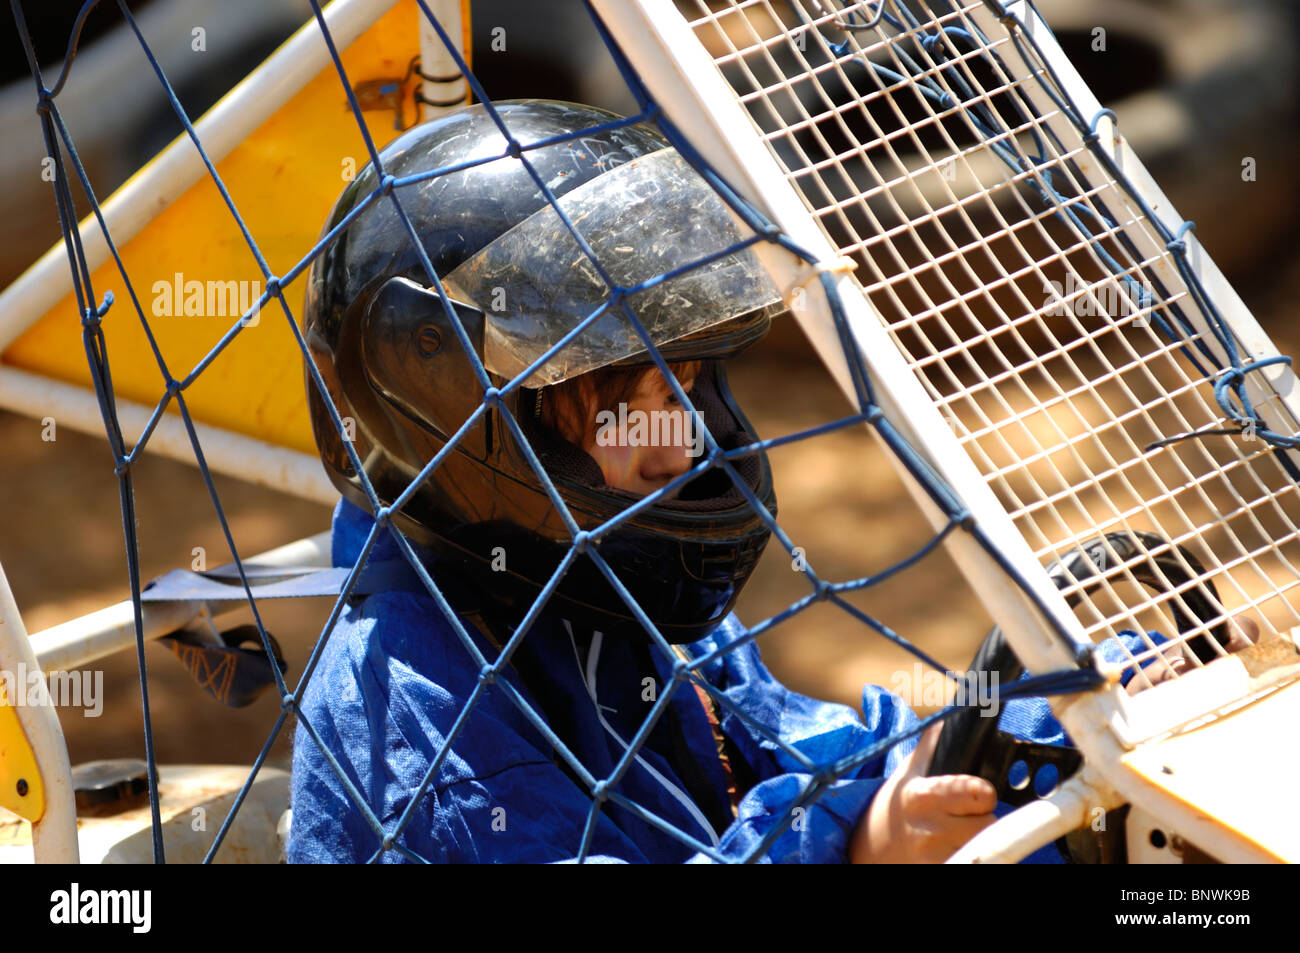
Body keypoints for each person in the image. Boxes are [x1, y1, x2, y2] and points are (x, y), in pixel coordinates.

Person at [286, 100, 1244, 864]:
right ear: (462, 428)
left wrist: (1067, 703)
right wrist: (851, 846)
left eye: (693, 385)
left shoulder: (607, 584)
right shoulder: (414, 716)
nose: (684, 442)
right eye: (628, 407)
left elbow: (795, 747)